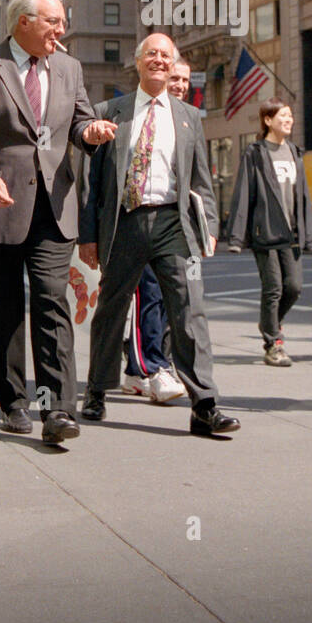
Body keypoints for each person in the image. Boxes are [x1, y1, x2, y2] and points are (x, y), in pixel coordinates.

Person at [0, 0, 116, 447]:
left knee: (51, 303)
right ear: (24, 22)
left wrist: (92, 131)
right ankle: (13, 403)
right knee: (3, 312)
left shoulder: (69, 68)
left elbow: (79, 124)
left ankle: (57, 408)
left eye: (62, 22)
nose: (61, 31)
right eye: (53, 22)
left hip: (53, 210)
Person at [78, 32, 238, 437]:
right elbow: (91, 185)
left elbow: (202, 179)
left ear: (173, 64)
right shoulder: (110, 112)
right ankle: (97, 391)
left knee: (190, 312)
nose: (159, 61)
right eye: (152, 54)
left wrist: (211, 228)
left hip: (173, 225)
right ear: (138, 62)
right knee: (111, 310)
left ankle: (204, 405)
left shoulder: (188, 117)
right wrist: (88, 236)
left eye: (166, 56)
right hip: (125, 222)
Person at [121, 58, 192, 404]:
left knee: (169, 299)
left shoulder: (186, 119)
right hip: (137, 219)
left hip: (176, 226)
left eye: (185, 80)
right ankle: (152, 366)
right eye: (174, 78)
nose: (179, 84)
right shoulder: (133, 114)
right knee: (146, 297)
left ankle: (140, 369)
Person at [226, 98, 312, 366]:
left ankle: (271, 321)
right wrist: (237, 237)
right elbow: (244, 193)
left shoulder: (295, 152)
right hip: (265, 232)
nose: (289, 120)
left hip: (291, 234)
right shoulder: (255, 153)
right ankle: (274, 343)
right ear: (268, 120)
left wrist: (308, 233)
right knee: (274, 287)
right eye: (283, 116)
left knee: (294, 288)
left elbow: (303, 197)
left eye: (290, 115)